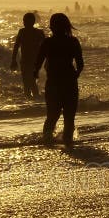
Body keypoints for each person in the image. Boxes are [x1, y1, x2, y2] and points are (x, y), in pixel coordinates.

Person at [34, 13, 84, 148]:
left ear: (52, 27)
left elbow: (38, 63)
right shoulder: (73, 42)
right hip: (70, 82)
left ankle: (47, 141)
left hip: (54, 83)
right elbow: (80, 64)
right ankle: (68, 142)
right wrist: (75, 75)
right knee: (69, 117)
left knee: (52, 115)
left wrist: (35, 76)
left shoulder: (48, 42)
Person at [11, 12, 46, 99]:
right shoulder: (22, 31)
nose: (24, 22)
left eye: (26, 21)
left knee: (31, 80)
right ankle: (30, 100)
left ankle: (34, 98)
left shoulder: (39, 33)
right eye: (24, 21)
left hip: (35, 61)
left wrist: (48, 60)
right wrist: (13, 60)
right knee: (26, 81)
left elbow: (46, 47)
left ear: (33, 22)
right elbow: (16, 46)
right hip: (24, 61)